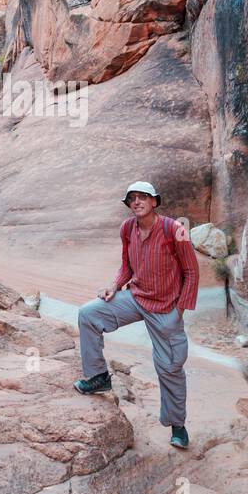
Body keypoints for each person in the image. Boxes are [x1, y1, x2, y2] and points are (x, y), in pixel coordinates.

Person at [74, 181, 198, 449]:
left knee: (170, 366)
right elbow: (126, 266)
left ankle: (178, 426)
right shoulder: (127, 228)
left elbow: (191, 272)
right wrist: (114, 286)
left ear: (155, 202)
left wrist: (180, 309)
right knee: (88, 314)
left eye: (143, 197)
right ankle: (98, 377)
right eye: (132, 198)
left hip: (166, 306)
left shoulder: (174, 229)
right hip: (136, 296)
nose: (137, 202)